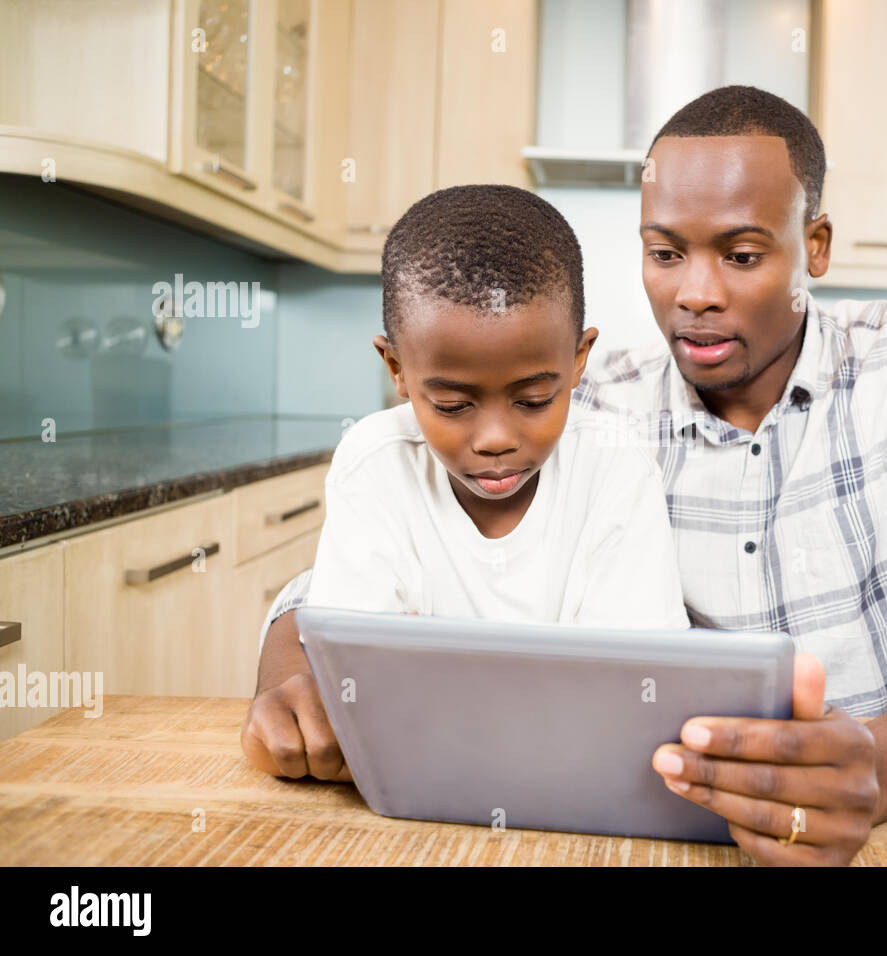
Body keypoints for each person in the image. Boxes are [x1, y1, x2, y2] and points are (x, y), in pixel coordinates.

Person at [249, 86, 887, 866]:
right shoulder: (586, 406)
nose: (695, 293)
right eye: (665, 252)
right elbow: (362, 575)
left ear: (815, 247)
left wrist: (878, 764)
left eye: (741, 253)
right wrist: (292, 679)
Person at [240, 185, 689, 778]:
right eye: (452, 405)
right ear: (397, 369)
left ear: (580, 360)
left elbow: (637, 693)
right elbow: (354, 692)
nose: (496, 438)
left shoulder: (615, 466)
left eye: (533, 399)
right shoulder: (374, 463)